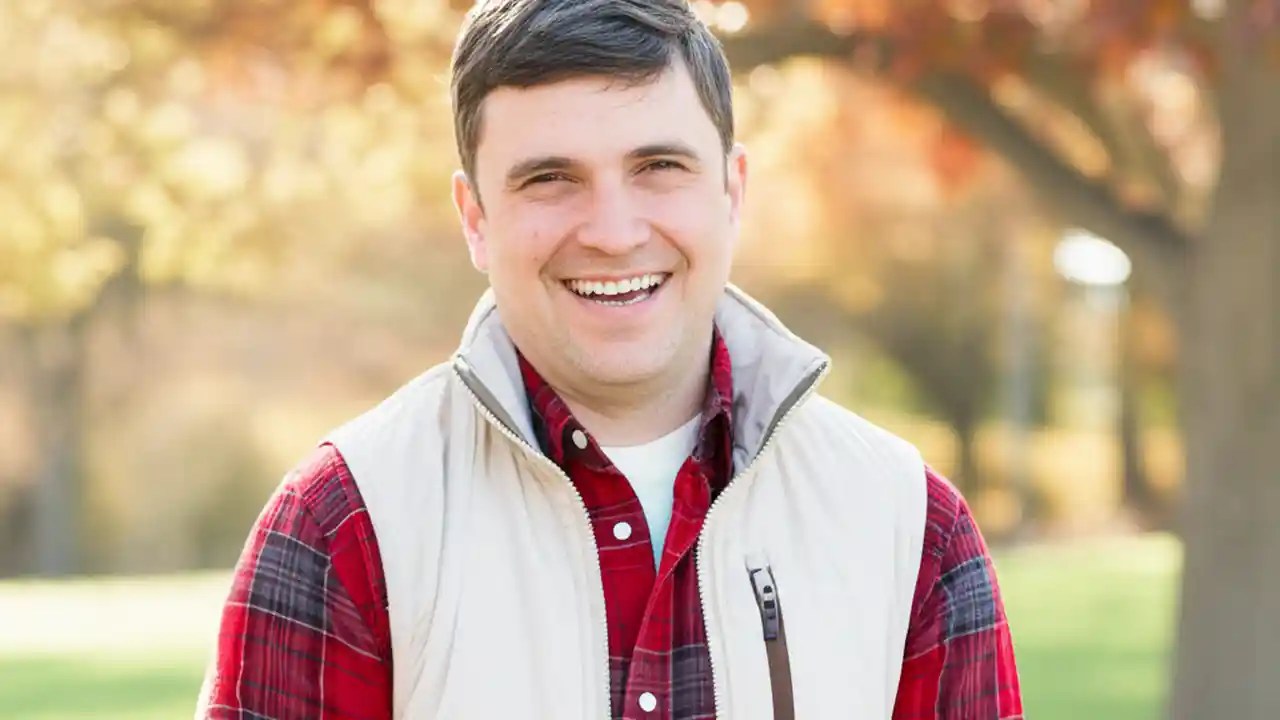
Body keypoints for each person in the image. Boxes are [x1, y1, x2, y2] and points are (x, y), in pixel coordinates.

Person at [198, 0, 1023, 717]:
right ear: (475, 217)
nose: (613, 230)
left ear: (732, 192)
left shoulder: (910, 529)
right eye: (550, 179)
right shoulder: (345, 527)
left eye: (658, 166)